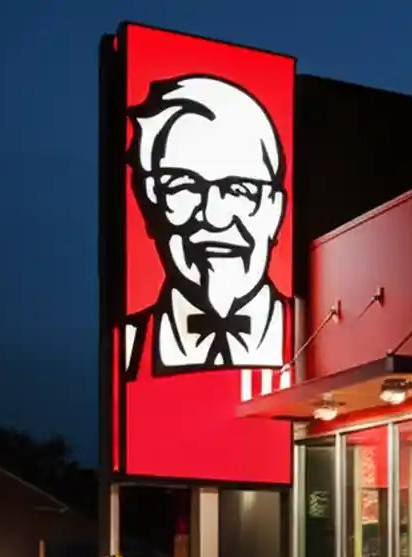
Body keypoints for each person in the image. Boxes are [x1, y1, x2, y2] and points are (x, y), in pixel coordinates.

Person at [123, 74, 289, 380]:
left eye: (241, 189)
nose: (214, 217)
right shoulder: (127, 346)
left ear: (274, 209)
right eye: (184, 186)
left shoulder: (313, 338)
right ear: (150, 206)